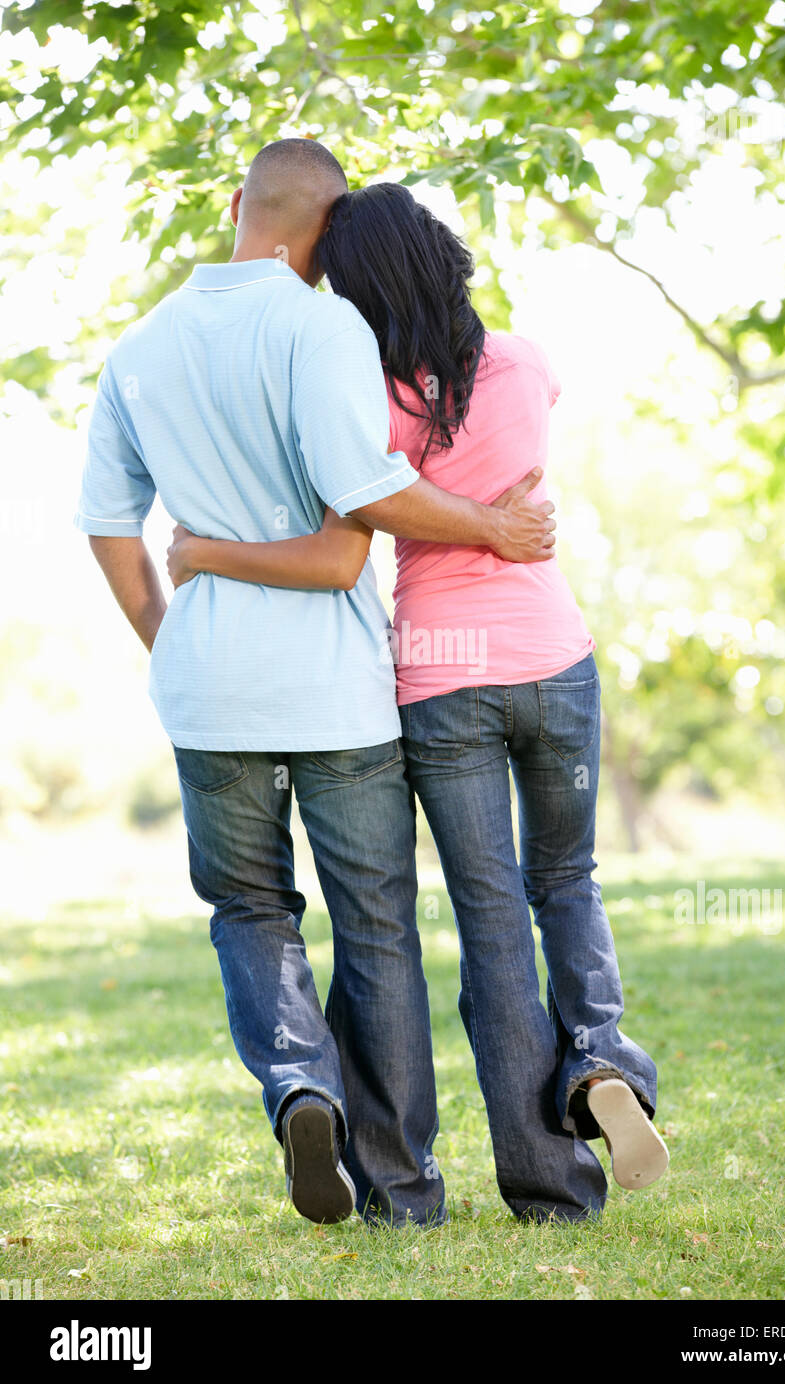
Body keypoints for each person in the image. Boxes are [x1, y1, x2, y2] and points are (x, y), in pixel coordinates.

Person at [167, 181, 669, 1224]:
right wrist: (496, 513)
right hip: (553, 657)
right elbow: (524, 465)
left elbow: (361, 501)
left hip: (439, 678)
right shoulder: (526, 364)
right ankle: (591, 1075)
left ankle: (505, 1176)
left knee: (490, 926)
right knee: (567, 879)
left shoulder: (376, 395)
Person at [75, 142, 556, 1228]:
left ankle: (299, 1084)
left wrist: (172, 638)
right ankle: (401, 1191)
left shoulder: (136, 348)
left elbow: (111, 525)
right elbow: (363, 493)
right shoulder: (325, 327)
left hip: (209, 691)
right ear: (328, 234)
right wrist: (489, 524)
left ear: (237, 205)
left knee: (250, 907)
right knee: (375, 923)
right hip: (335, 689)